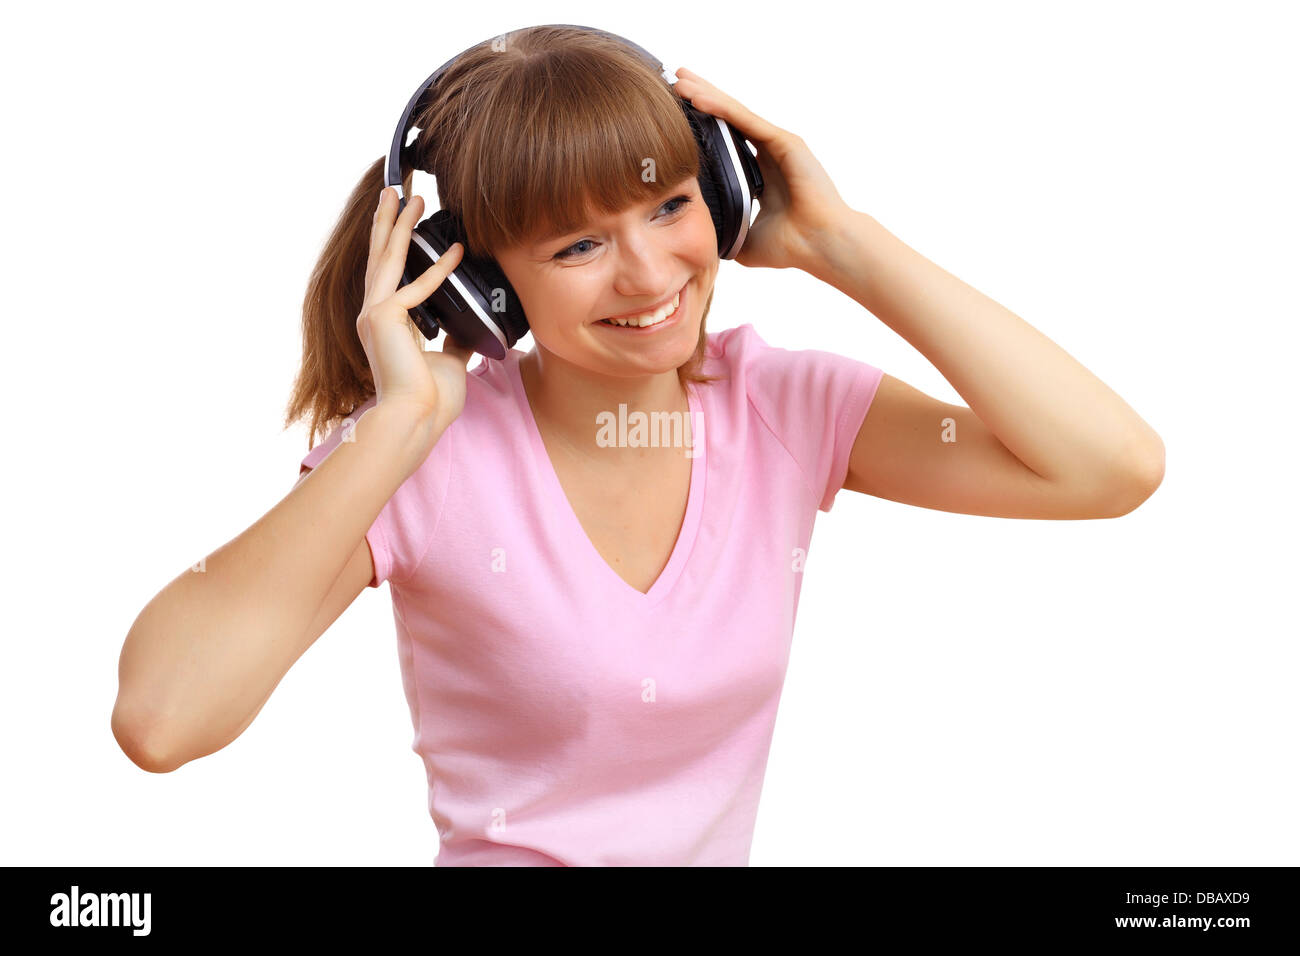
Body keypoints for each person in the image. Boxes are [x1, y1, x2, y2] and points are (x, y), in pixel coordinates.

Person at [111, 25, 1165, 866]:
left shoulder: (779, 407)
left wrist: (844, 244)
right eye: (578, 244)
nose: (650, 273)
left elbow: (1109, 466)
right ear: (481, 279)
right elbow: (162, 719)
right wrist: (390, 427)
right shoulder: (422, 456)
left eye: (669, 205)